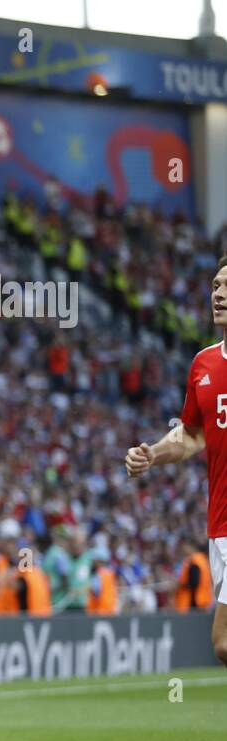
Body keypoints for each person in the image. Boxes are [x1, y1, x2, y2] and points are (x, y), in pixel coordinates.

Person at [125, 254, 227, 666]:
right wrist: (153, 453)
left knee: (222, 641)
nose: (218, 294)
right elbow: (190, 436)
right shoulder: (204, 364)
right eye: (216, 286)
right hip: (219, 524)